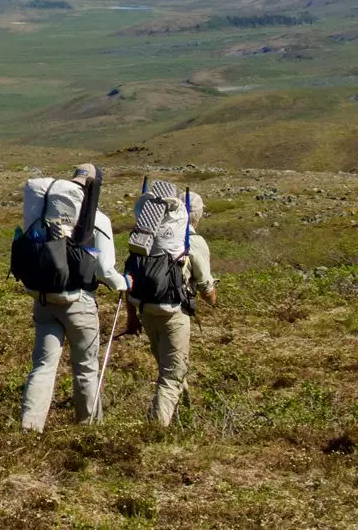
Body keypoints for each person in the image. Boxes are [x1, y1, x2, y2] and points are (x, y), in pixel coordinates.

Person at [20, 164, 131, 433]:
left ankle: (29, 429)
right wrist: (124, 283)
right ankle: (88, 429)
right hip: (78, 301)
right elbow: (105, 270)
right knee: (85, 367)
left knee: (44, 365)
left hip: (44, 299)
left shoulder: (40, 211)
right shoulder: (98, 219)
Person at [127, 190, 216, 427]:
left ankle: (185, 416)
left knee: (170, 367)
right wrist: (214, 300)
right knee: (172, 375)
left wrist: (131, 316)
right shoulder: (193, 242)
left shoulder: (150, 235)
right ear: (196, 215)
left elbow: (131, 276)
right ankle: (155, 429)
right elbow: (207, 288)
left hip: (145, 309)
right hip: (174, 313)